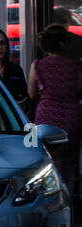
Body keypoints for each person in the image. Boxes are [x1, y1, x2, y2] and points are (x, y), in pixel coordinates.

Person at [28, 24, 82, 197]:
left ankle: (50, 200)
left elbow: (32, 93)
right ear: (62, 44)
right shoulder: (76, 66)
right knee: (70, 163)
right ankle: (69, 207)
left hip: (46, 116)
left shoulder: (38, 65)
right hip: (72, 117)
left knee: (46, 161)